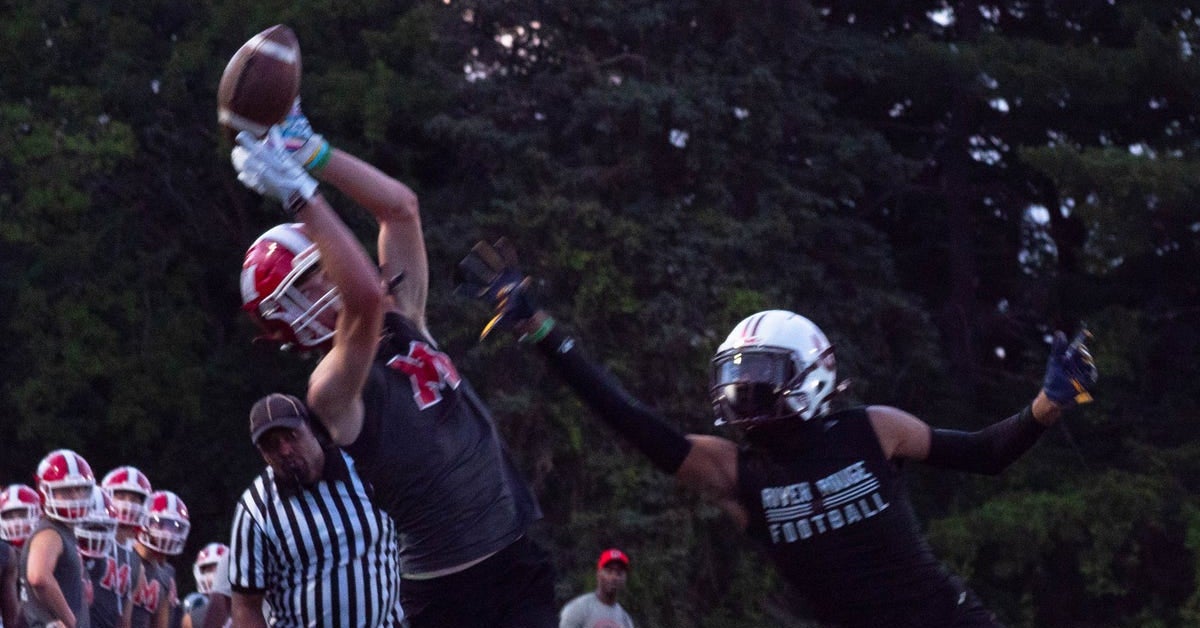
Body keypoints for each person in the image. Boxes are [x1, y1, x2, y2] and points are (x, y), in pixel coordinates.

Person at [455, 242, 1100, 628]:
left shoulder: (873, 428)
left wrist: (1048, 403)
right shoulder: (738, 473)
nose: (746, 393)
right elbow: (630, 420)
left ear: (812, 375)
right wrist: (543, 333)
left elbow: (985, 453)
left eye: (762, 378)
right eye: (738, 379)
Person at [228, 98, 556, 627]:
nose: (327, 278)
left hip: (515, 556)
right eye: (307, 281)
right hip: (452, 591)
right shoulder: (330, 389)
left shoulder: (401, 316)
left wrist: (311, 152)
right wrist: (299, 195)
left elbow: (401, 208)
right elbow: (360, 294)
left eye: (321, 264)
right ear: (282, 318)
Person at [226, 393, 402, 627]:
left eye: (291, 436)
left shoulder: (365, 470)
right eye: (271, 444)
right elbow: (246, 605)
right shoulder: (255, 509)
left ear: (311, 429)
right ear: (263, 454)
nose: (285, 450)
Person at [20, 449, 96, 628]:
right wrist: (70, 621)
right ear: (45, 492)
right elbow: (39, 576)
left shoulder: (65, 531)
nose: (75, 496)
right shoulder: (50, 533)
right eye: (65, 491)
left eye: (79, 489)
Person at [76, 486, 136, 628]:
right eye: (89, 526)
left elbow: (123, 619)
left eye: (102, 527)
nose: (95, 535)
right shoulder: (60, 549)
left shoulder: (125, 558)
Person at [97, 468, 150, 628]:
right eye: (120, 496)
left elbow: (125, 619)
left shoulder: (135, 561)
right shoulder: (92, 540)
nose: (128, 504)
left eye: (134, 499)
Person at [130, 491, 188, 628]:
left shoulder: (166, 574)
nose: (168, 533)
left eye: (174, 527)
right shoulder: (125, 556)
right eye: (160, 524)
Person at [559, 549, 635, 628]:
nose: (614, 577)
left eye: (619, 573)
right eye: (609, 571)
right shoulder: (578, 609)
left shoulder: (625, 619)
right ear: (598, 573)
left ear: (625, 578)